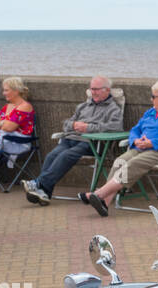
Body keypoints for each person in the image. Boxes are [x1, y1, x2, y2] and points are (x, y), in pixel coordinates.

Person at [79, 78, 158, 216]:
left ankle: (99, 194)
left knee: (133, 164)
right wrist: (135, 140)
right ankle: (105, 203)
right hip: (142, 148)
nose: (151, 99)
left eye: (154, 96)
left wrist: (153, 142)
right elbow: (135, 130)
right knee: (120, 161)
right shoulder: (150, 113)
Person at [23, 76, 121, 206]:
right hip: (70, 138)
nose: (93, 92)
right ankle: (44, 193)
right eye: (92, 89)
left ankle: (38, 183)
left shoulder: (113, 109)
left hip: (91, 143)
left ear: (107, 90)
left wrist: (88, 128)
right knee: (51, 156)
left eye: (96, 89)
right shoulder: (83, 106)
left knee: (66, 155)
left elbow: (116, 127)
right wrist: (74, 125)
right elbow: (66, 124)